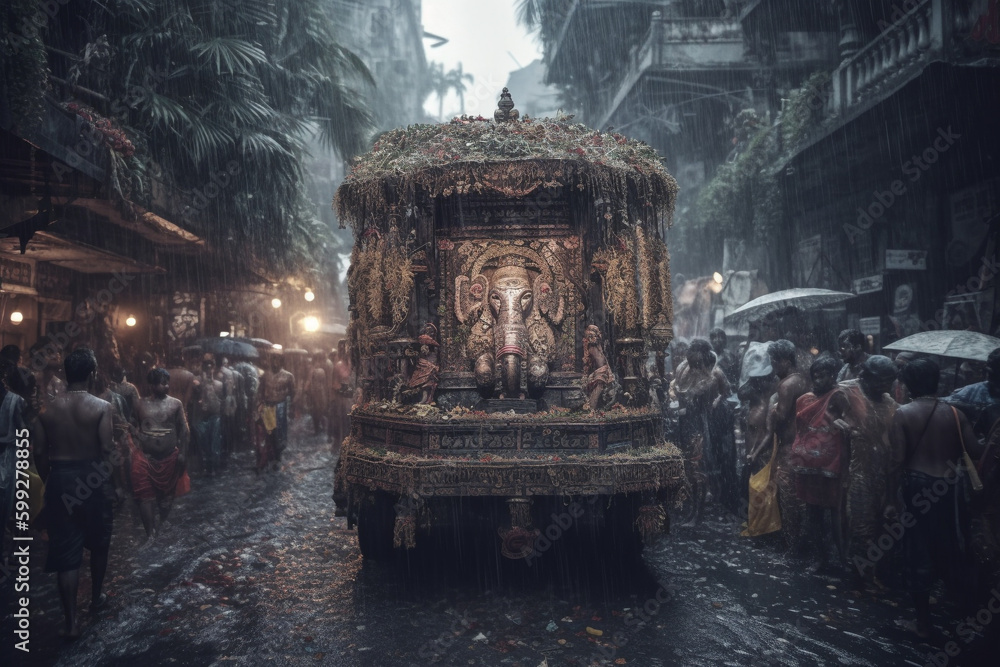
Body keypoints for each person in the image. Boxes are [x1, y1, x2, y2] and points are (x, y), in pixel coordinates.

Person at [885, 358, 979, 638]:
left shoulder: (903, 414)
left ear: (909, 384)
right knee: (950, 549)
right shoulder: (956, 413)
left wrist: (890, 499)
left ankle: (924, 624)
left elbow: (896, 461)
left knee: (918, 552)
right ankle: (965, 617)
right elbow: (975, 451)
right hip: (950, 488)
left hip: (918, 488)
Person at [34, 349, 119, 638]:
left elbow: (39, 452)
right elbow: (107, 450)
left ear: (66, 374)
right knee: (99, 542)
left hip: (60, 478)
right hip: (93, 480)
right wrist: (116, 484)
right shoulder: (102, 407)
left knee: (66, 552)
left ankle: (70, 623)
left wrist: (50, 479)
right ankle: (96, 599)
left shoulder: (46, 410)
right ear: (92, 374)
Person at [837, 355, 899, 578]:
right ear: (866, 376)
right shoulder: (845, 391)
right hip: (857, 471)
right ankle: (858, 576)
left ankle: (874, 574)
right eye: (881, 381)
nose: (885, 386)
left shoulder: (890, 403)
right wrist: (835, 423)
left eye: (889, 381)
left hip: (884, 472)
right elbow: (823, 414)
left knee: (883, 526)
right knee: (861, 526)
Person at [789, 355, 849, 570]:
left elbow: (849, 425)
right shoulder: (804, 399)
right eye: (815, 376)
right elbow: (800, 430)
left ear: (833, 376)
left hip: (832, 463)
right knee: (812, 510)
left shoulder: (839, 396)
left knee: (835, 512)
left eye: (824, 376)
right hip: (808, 463)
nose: (819, 380)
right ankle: (821, 558)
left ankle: (843, 558)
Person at [748, 340, 810, 548]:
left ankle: (792, 544)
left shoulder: (786, 385)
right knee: (798, 494)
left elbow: (781, 416)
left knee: (788, 496)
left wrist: (771, 410)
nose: (773, 366)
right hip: (803, 443)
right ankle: (796, 540)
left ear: (785, 361)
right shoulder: (802, 378)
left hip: (788, 447)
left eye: (774, 361)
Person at [670, 338, 730, 524]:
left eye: (696, 362)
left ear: (703, 358)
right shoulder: (684, 368)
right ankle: (692, 510)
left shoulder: (714, 374)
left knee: (698, 469)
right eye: (691, 360)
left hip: (700, 424)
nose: (693, 365)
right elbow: (677, 388)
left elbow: (725, 391)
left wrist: (715, 402)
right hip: (684, 423)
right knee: (688, 469)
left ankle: (698, 514)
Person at [132, 368, 189, 538]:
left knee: (166, 499)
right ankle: (150, 534)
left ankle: (162, 524)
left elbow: (184, 430)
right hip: (145, 458)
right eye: (163, 383)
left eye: (167, 383)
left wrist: (182, 453)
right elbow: (132, 424)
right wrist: (136, 437)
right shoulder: (140, 404)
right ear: (152, 385)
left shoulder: (175, 404)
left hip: (169, 457)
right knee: (145, 496)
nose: (167, 386)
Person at [946, 347, 1000, 440]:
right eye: (988, 370)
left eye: (995, 371)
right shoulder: (973, 391)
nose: (989, 374)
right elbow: (944, 404)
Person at [256, 350, 295, 471]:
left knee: (280, 433)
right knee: (269, 432)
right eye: (273, 359)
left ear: (281, 361)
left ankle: (278, 456)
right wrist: (259, 406)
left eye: (277, 359)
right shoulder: (265, 375)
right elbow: (260, 391)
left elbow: (293, 394)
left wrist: (292, 409)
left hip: (280, 407)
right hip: (268, 407)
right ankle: (271, 456)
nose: (275, 361)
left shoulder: (288, 376)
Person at [191, 354, 224, 477]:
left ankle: (213, 467)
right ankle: (207, 467)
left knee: (214, 443)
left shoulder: (219, 383)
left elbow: (221, 400)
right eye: (206, 365)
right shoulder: (197, 381)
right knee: (204, 443)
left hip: (214, 416)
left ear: (214, 367)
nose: (209, 368)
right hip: (202, 417)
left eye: (211, 365)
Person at [583, 325, 615, 412]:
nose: (597, 337)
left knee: (602, 388)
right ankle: (592, 408)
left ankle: (594, 408)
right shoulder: (591, 346)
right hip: (600, 369)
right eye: (594, 335)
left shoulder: (597, 345)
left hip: (603, 368)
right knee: (599, 387)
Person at [305, 353, 329, 435]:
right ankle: (322, 427)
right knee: (320, 411)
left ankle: (317, 430)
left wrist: (306, 391)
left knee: (315, 412)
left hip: (315, 393)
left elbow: (308, 383)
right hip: (321, 393)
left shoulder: (312, 370)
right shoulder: (322, 370)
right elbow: (324, 382)